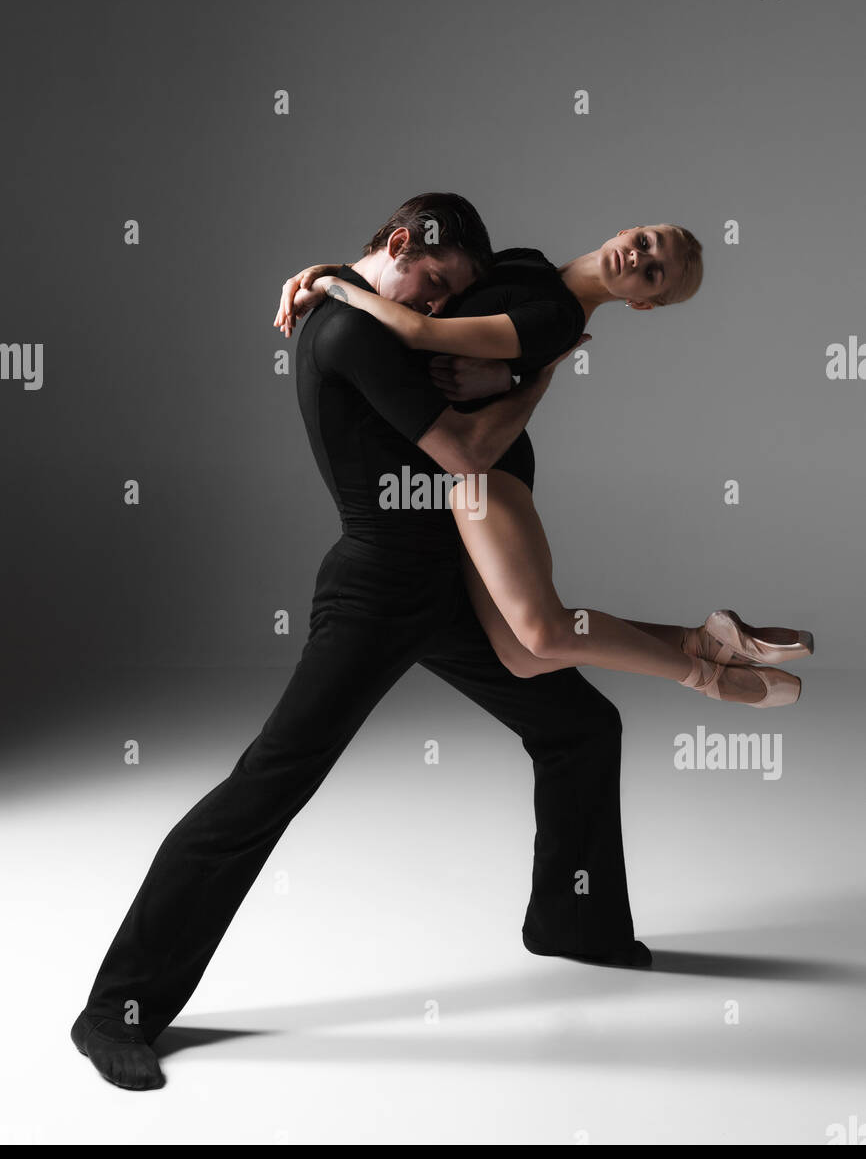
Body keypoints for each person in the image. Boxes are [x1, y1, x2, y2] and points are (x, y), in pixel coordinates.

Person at [71, 193, 652, 1094]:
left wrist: (343, 276)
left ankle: (573, 924)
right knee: (267, 787)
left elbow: (480, 313)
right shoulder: (350, 334)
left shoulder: (360, 304)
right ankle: (117, 1010)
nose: (435, 308)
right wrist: (545, 374)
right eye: (432, 284)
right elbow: (465, 456)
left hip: (444, 590)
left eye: (448, 294)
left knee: (580, 726)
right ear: (396, 244)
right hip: (378, 592)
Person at [276, 226, 813, 707]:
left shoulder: (559, 318)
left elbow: (420, 334)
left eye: (652, 274)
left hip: (484, 470)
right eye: (646, 243)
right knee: (523, 657)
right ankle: (701, 639)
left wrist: (330, 285)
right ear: (629, 230)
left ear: (643, 303)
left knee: (544, 634)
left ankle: (704, 677)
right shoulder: (527, 261)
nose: (637, 258)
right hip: (461, 468)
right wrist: (340, 273)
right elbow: (434, 293)